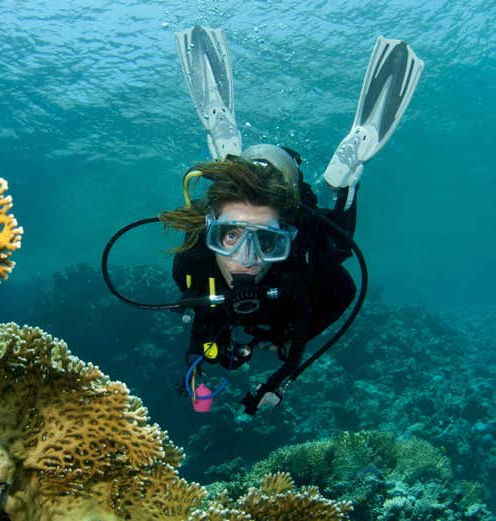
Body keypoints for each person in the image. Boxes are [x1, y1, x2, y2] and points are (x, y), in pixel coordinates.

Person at [163, 27, 423, 414]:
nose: (245, 258)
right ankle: (236, 161)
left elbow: (342, 296)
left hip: (297, 204)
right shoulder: (192, 261)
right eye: (230, 235)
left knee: (334, 244)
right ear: (210, 231)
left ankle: (345, 184)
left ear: (285, 238)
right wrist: (198, 357)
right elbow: (203, 313)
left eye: (266, 240)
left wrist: (284, 345)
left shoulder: (299, 260)